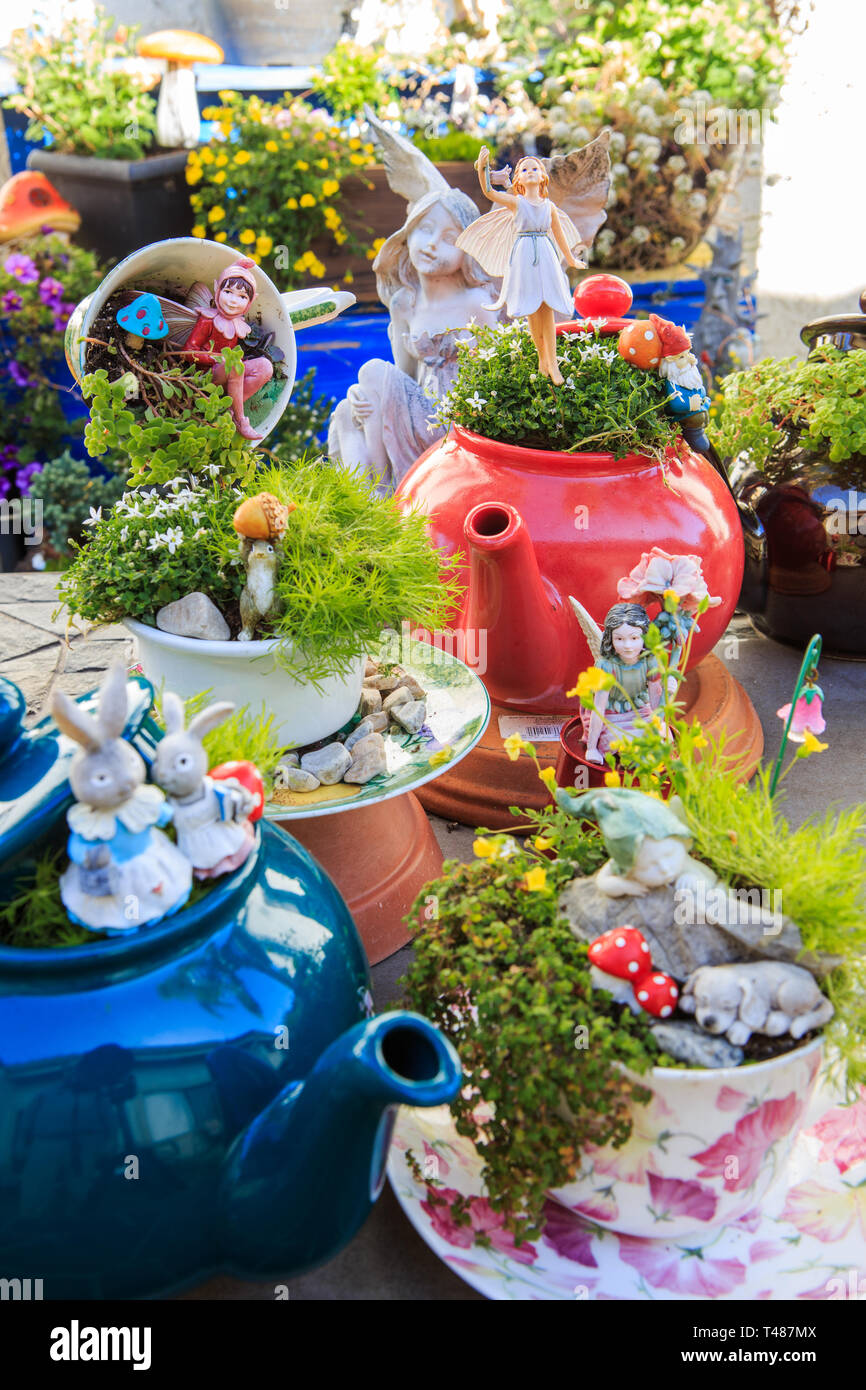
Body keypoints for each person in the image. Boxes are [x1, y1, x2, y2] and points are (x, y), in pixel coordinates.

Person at [327, 189, 501, 493]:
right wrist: (370, 402)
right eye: (425, 230)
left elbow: (493, 378)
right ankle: (369, 500)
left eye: (450, 239)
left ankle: (384, 492)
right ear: (408, 234)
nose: (432, 244)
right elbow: (403, 375)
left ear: (468, 251)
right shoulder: (403, 303)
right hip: (417, 408)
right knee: (346, 410)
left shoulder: (478, 302)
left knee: (371, 370)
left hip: (455, 422)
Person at [455, 148, 586, 384]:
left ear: (543, 176)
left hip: (545, 256)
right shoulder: (516, 203)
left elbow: (559, 237)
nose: (530, 172)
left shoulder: (549, 207)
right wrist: (483, 168)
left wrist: (572, 258)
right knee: (532, 313)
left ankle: (553, 362)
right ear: (518, 179)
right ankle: (542, 357)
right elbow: (489, 191)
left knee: (547, 310)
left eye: (535, 168)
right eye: (524, 169)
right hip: (524, 257)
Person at [181, 258, 273, 440]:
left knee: (265, 366)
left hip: (229, 374)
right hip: (204, 377)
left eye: (242, 297)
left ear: (250, 302)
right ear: (218, 291)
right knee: (233, 364)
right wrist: (216, 359)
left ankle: (228, 408)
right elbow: (187, 351)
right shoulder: (208, 320)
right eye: (228, 291)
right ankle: (240, 420)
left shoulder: (239, 325)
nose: (232, 301)